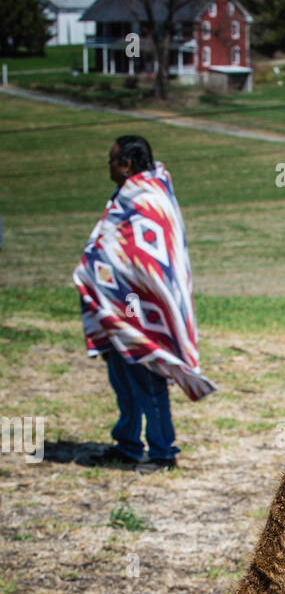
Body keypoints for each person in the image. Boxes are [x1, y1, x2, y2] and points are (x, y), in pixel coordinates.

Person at [74, 135, 215, 474]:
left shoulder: (148, 197)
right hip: (118, 301)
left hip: (140, 301)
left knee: (147, 374)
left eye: (111, 161)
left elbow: (148, 253)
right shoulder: (128, 194)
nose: (108, 167)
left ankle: (163, 452)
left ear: (125, 163)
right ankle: (127, 444)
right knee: (122, 374)